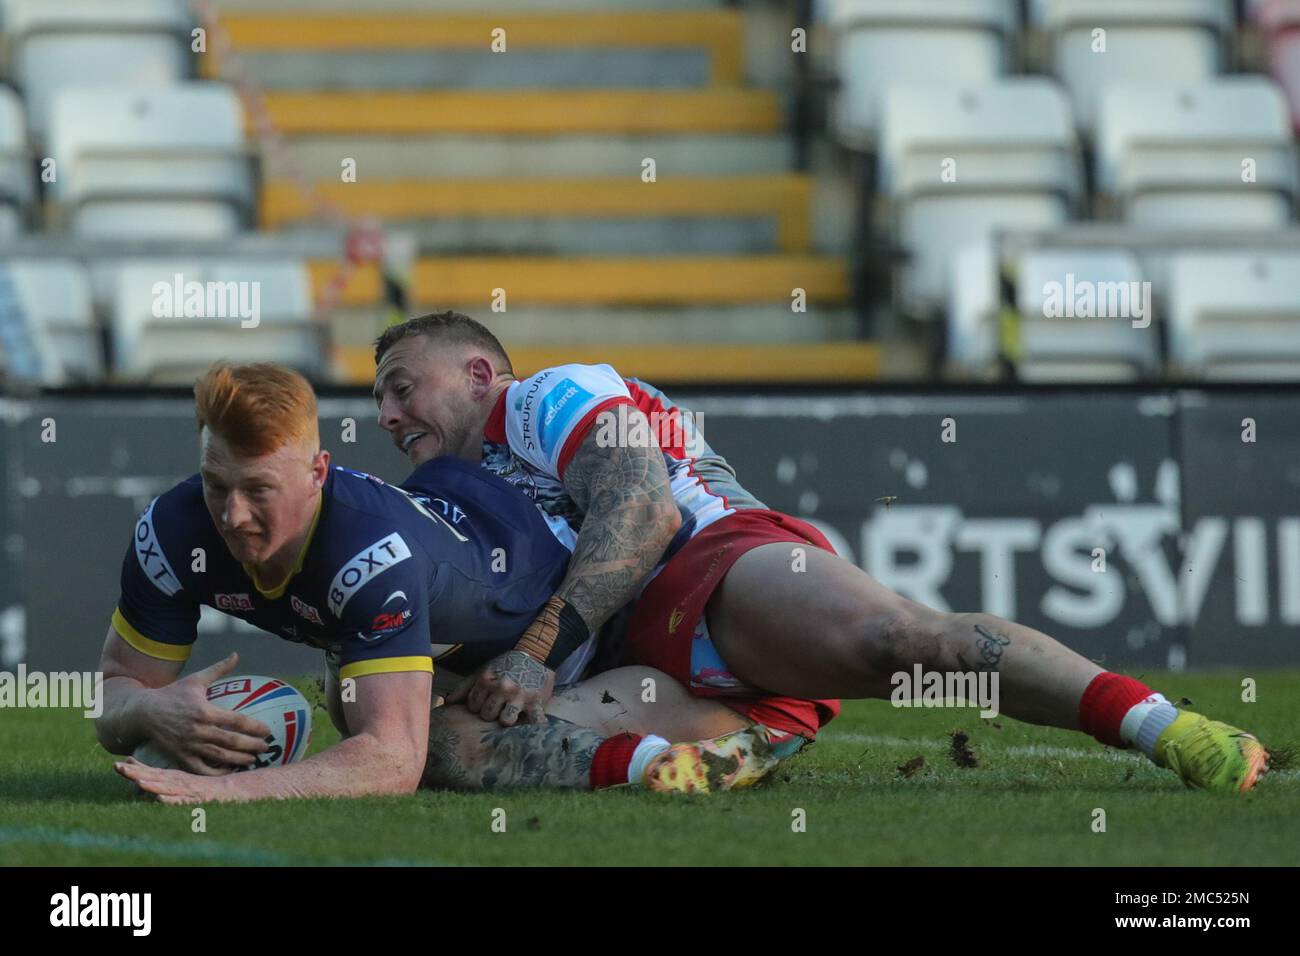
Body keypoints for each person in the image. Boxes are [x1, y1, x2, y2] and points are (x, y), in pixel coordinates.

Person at [372, 311, 1270, 794]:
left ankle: (1165, 728)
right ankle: (702, 760)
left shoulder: (543, 397)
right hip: (628, 661)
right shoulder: (440, 504)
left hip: (715, 572)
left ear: (482, 375)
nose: (389, 416)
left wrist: (530, 655)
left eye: (404, 387)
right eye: (380, 403)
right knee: (444, 746)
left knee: (909, 648)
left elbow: (642, 514)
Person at [98, 362, 769, 803]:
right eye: (217, 486)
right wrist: (150, 711)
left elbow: (392, 766)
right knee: (352, 694)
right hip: (461, 568)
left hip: (555, 610)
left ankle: (684, 752)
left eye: (258, 491)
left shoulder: (368, 554)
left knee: (439, 750)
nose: (233, 515)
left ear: (318, 473)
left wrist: (225, 792)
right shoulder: (169, 531)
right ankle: (683, 744)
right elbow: (114, 696)